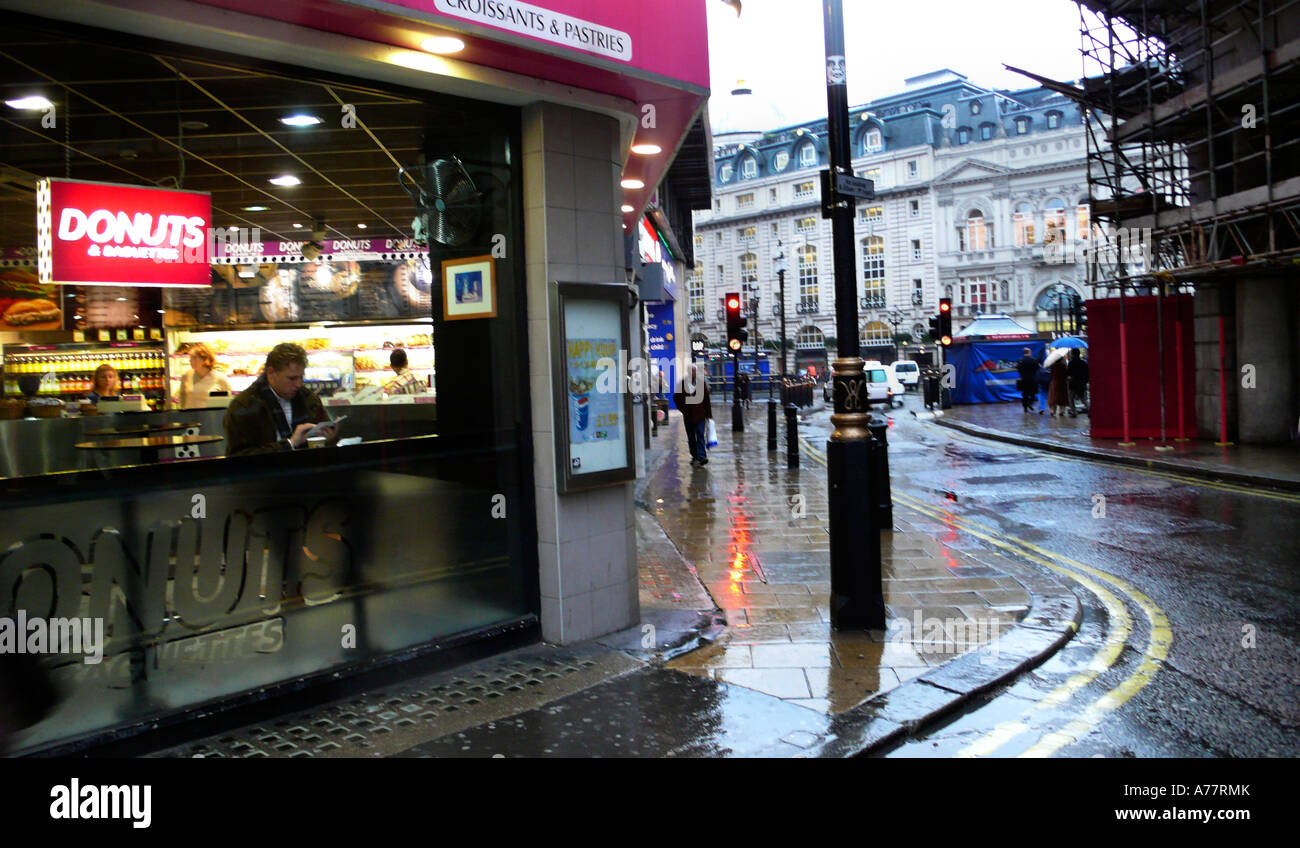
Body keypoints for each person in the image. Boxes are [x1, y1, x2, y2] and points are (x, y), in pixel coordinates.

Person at [224, 342, 338, 455]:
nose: (298, 384)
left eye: (301, 377)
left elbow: (325, 448)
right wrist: (290, 444)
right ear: (271, 372)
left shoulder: (309, 399)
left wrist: (328, 439)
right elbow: (238, 457)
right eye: (292, 378)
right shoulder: (244, 405)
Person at [672, 363, 712, 467]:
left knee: (700, 435)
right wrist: (683, 409)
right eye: (691, 371)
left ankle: (701, 456)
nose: (693, 373)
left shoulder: (701, 383)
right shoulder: (682, 384)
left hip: (700, 415)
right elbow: (676, 398)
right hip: (688, 416)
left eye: (694, 371)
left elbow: (707, 400)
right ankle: (694, 456)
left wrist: (708, 415)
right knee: (691, 437)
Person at [178, 342, 233, 409]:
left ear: (204, 359)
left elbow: (227, 402)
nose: (190, 360)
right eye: (190, 357)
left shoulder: (220, 378)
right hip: (190, 417)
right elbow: (182, 397)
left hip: (209, 417)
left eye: (194, 358)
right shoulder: (187, 376)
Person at [1067, 348, 1089, 416]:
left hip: (1073, 383)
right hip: (1082, 383)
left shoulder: (1071, 363)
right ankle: (1090, 410)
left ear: (1073, 354)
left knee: (1071, 399)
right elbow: (1087, 373)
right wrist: (1085, 381)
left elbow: (1068, 373)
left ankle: (1074, 412)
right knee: (1083, 399)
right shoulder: (1083, 362)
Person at [1016, 348, 1038, 413]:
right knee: (1033, 394)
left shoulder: (1020, 361)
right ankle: (1030, 403)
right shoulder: (1033, 360)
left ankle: (1025, 408)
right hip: (1032, 379)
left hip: (1023, 380)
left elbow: (1018, 369)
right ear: (1029, 352)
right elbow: (1037, 368)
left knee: (1025, 394)